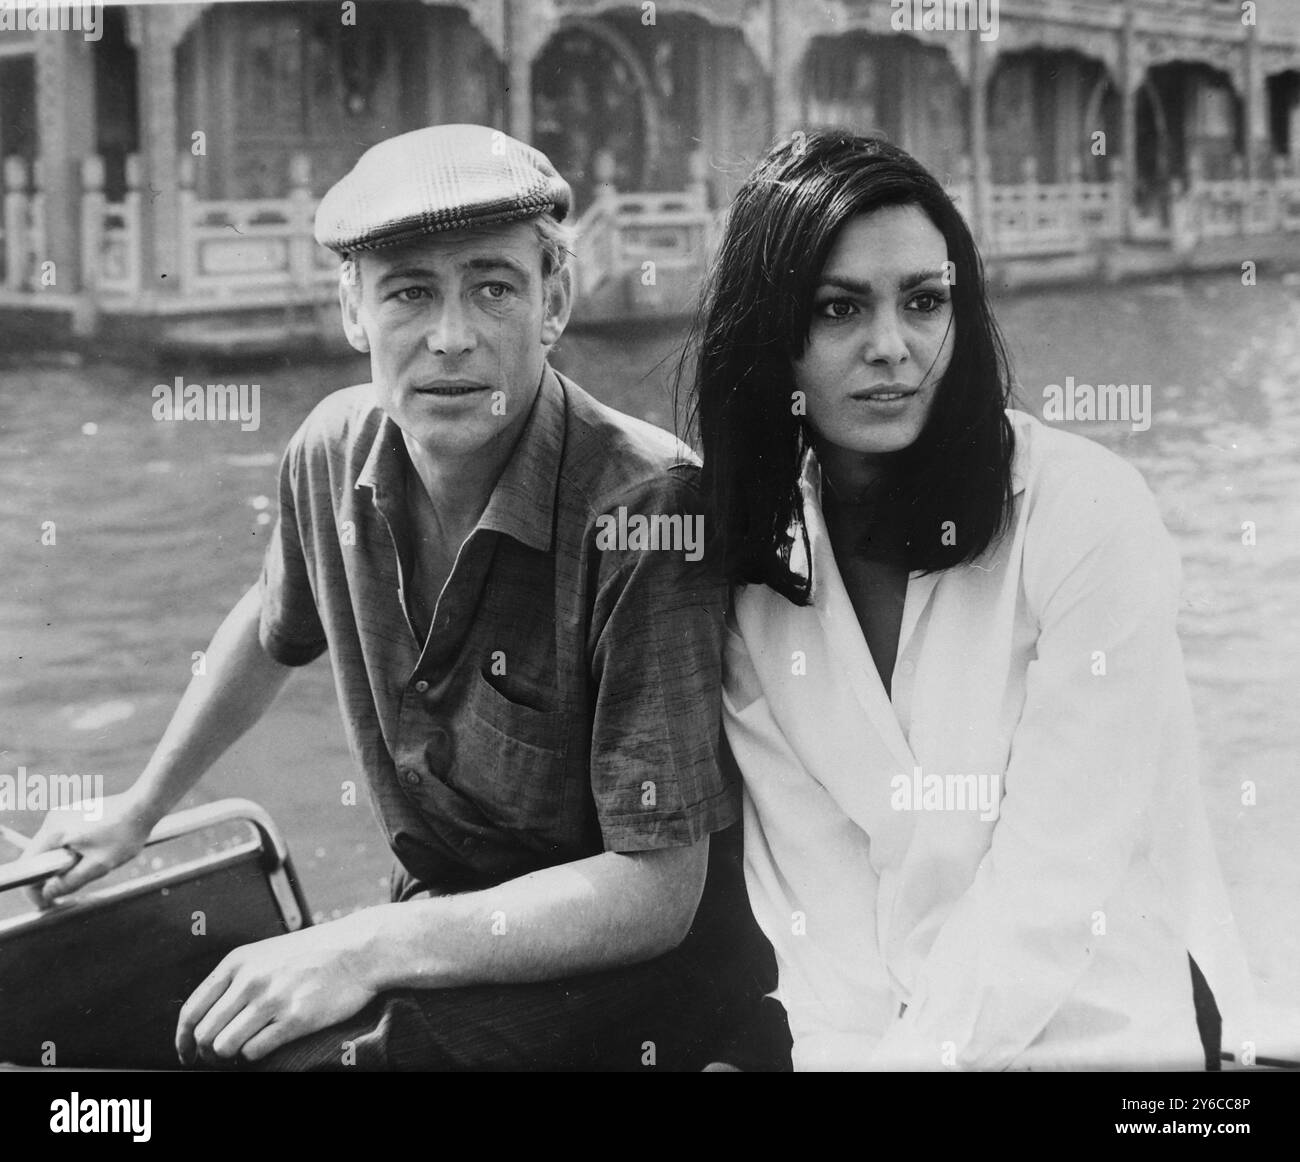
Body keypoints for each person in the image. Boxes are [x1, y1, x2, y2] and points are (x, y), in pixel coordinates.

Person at [26, 124, 773, 1071]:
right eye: (410, 291)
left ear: (555, 300)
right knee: (145, 1014)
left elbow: (656, 895)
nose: (450, 336)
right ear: (352, 309)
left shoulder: (647, 512)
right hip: (441, 927)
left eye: (493, 287)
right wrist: (138, 806)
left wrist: (356, 946)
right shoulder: (330, 452)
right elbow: (270, 629)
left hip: (640, 978)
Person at [686, 130, 1256, 1071]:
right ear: (770, 341)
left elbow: (1052, 886)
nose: (892, 348)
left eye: (925, 302)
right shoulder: (759, 576)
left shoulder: (1082, 514)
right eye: (838, 309)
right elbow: (820, 929)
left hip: (1108, 1050)